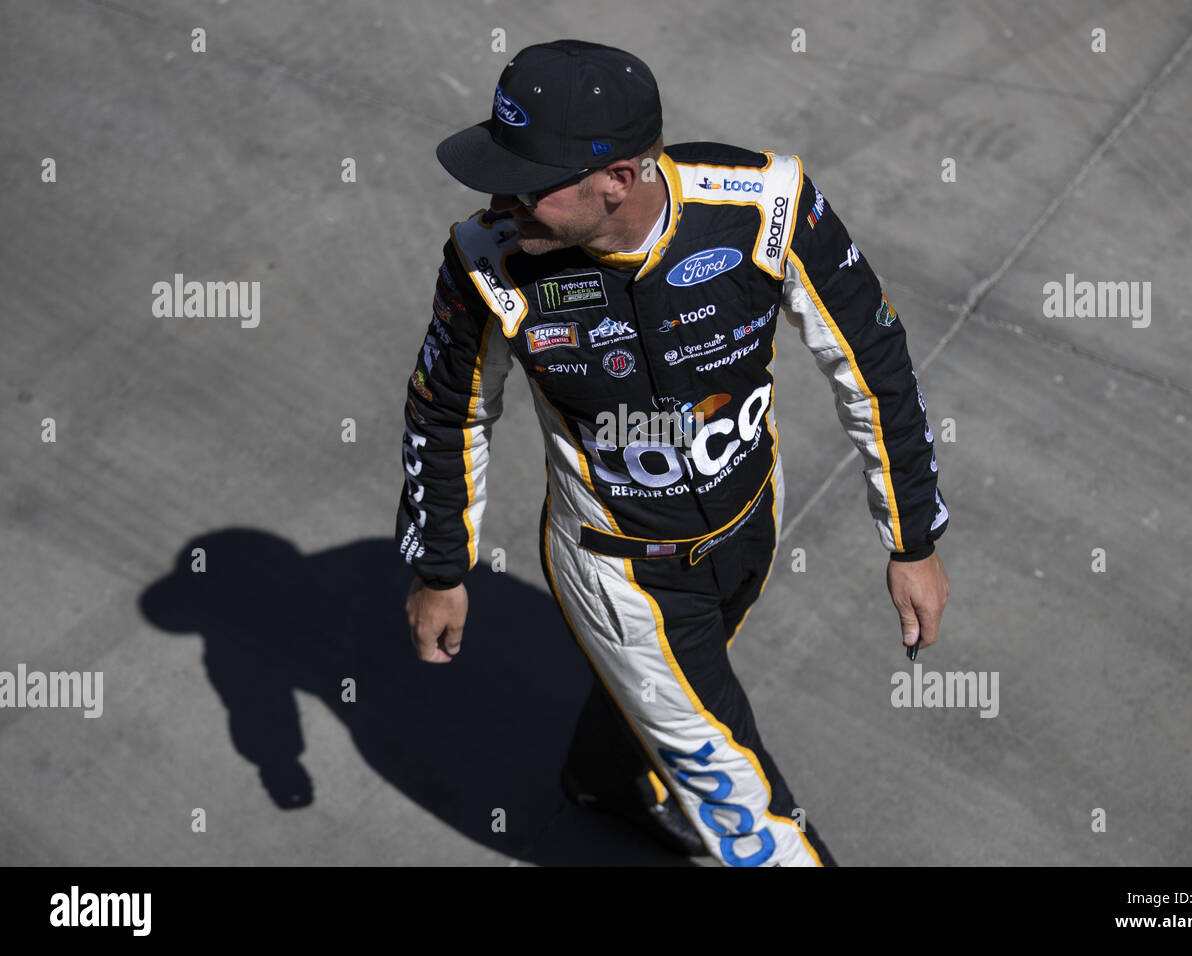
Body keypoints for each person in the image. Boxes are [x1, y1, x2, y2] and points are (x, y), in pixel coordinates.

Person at [396, 38, 950, 867]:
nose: (500, 200)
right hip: (621, 574)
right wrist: (440, 569)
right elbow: (448, 413)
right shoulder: (487, 261)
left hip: (752, 518)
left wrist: (913, 540)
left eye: (528, 183)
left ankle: (600, 780)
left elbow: (874, 364)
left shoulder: (765, 202)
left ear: (617, 179)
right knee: (743, 799)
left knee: (674, 696)